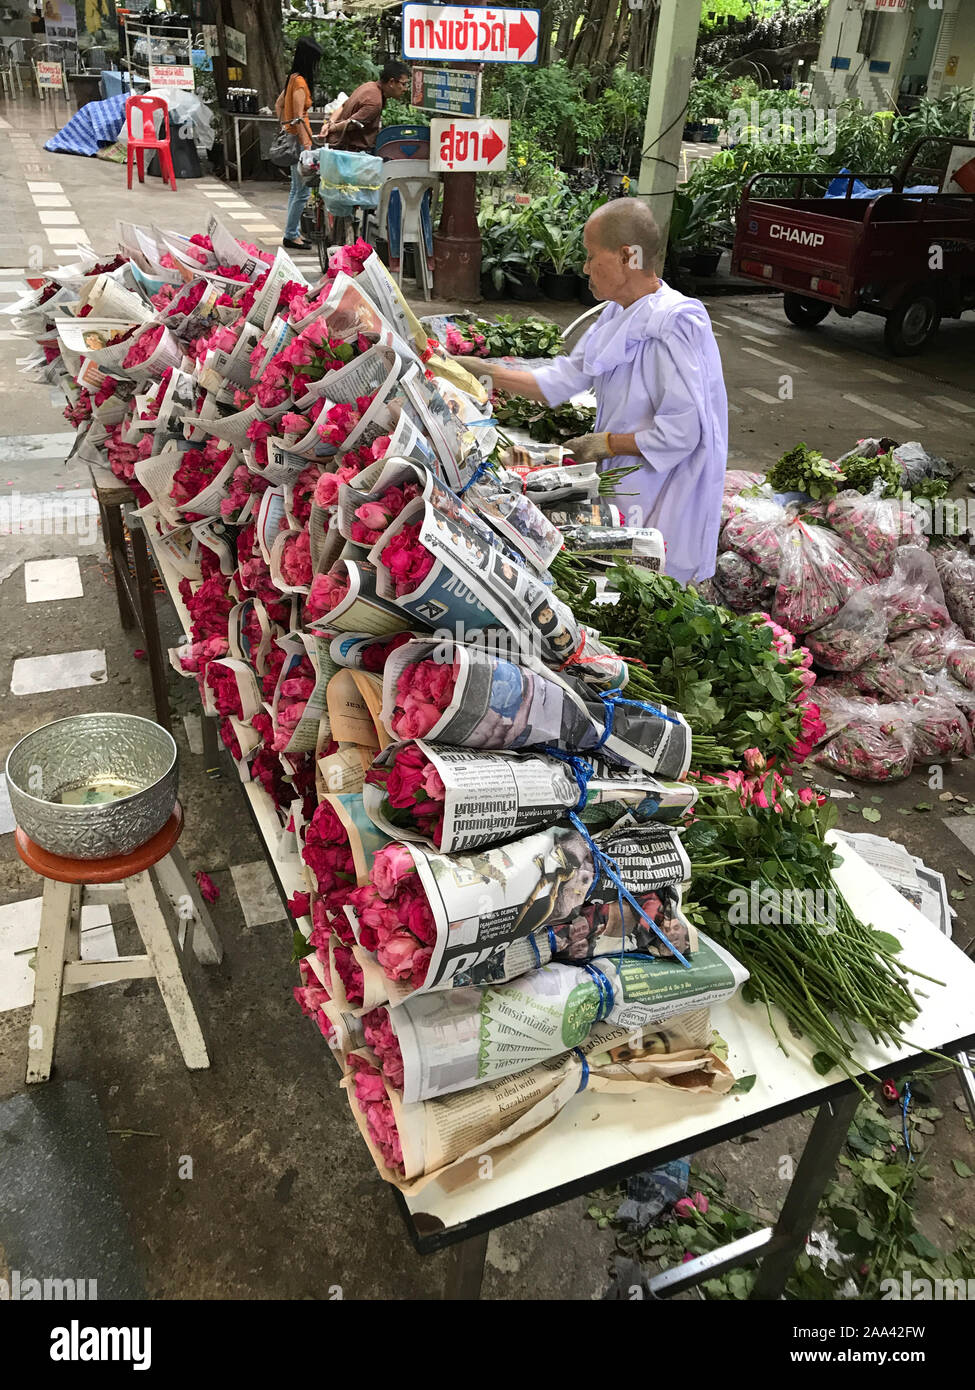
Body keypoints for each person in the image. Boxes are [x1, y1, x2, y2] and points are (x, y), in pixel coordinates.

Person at [454, 199, 728, 585]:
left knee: (653, 585)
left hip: (663, 487)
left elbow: (683, 433)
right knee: (615, 579)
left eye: (590, 255)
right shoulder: (618, 313)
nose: (584, 267)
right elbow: (563, 379)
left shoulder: (675, 324)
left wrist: (607, 444)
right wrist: (481, 371)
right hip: (624, 479)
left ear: (627, 256)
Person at [275, 36, 323, 251]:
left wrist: (283, 126)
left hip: (293, 137)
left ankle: (292, 232)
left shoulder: (292, 78)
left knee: (296, 190)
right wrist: (306, 147)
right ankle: (291, 235)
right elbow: (299, 117)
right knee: (302, 192)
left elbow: (279, 104)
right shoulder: (301, 83)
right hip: (300, 142)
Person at [322, 61, 410, 152]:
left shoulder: (369, 86)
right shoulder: (374, 102)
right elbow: (351, 124)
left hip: (339, 146)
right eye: (403, 84)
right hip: (349, 152)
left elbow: (342, 107)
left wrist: (329, 124)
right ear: (391, 82)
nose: (405, 89)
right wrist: (330, 128)